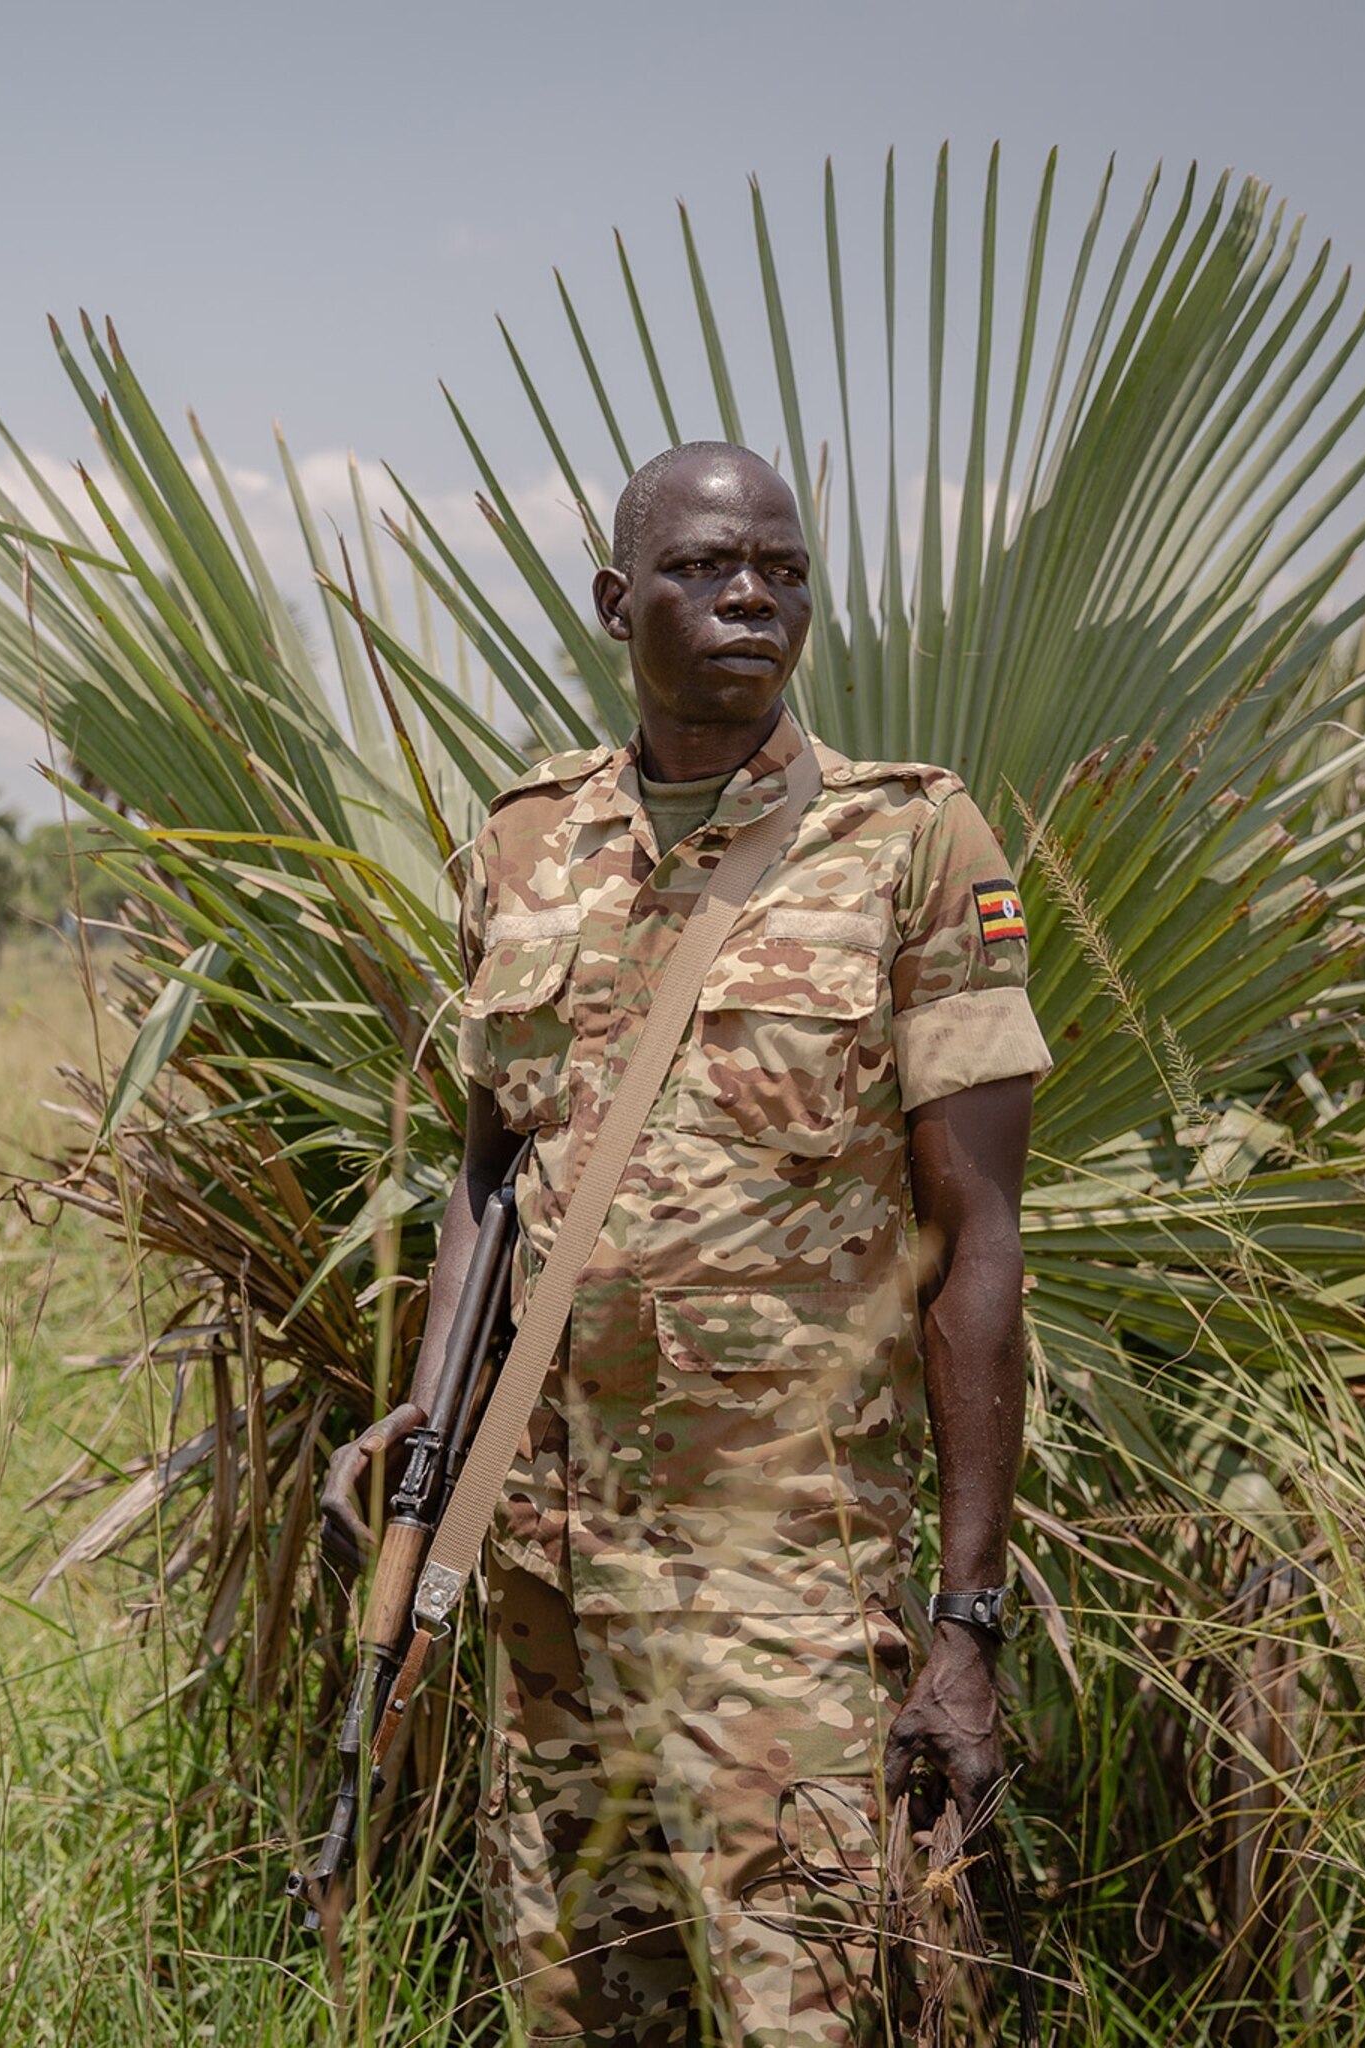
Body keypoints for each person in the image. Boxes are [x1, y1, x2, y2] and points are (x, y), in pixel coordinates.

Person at [321, 442, 1048, 2046]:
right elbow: (491, 1171)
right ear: (614, 601)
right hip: (547, 1582)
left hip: (779, 1590)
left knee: (811, 2010)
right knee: (578, 2010)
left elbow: (976, 1243)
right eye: (708, 567)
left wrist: (966, 1620)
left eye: (782, 571)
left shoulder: (909, 843)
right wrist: (432, 1414)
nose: (751, 596)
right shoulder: (525, 845)